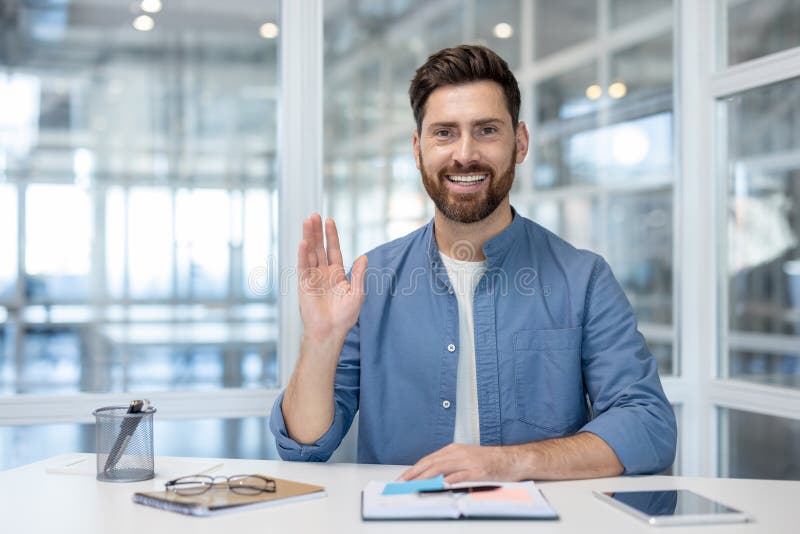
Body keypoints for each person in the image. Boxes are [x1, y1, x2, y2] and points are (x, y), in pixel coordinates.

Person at [270, 45, 676, 482]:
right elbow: (304, 448)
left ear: (519, 143)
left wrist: (508, 462)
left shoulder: (584, 279)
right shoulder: (370, 282)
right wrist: (320, 342)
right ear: (418, 147)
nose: (465, 154)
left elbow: (648, 426)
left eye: (486, 130)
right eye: (444, 133)